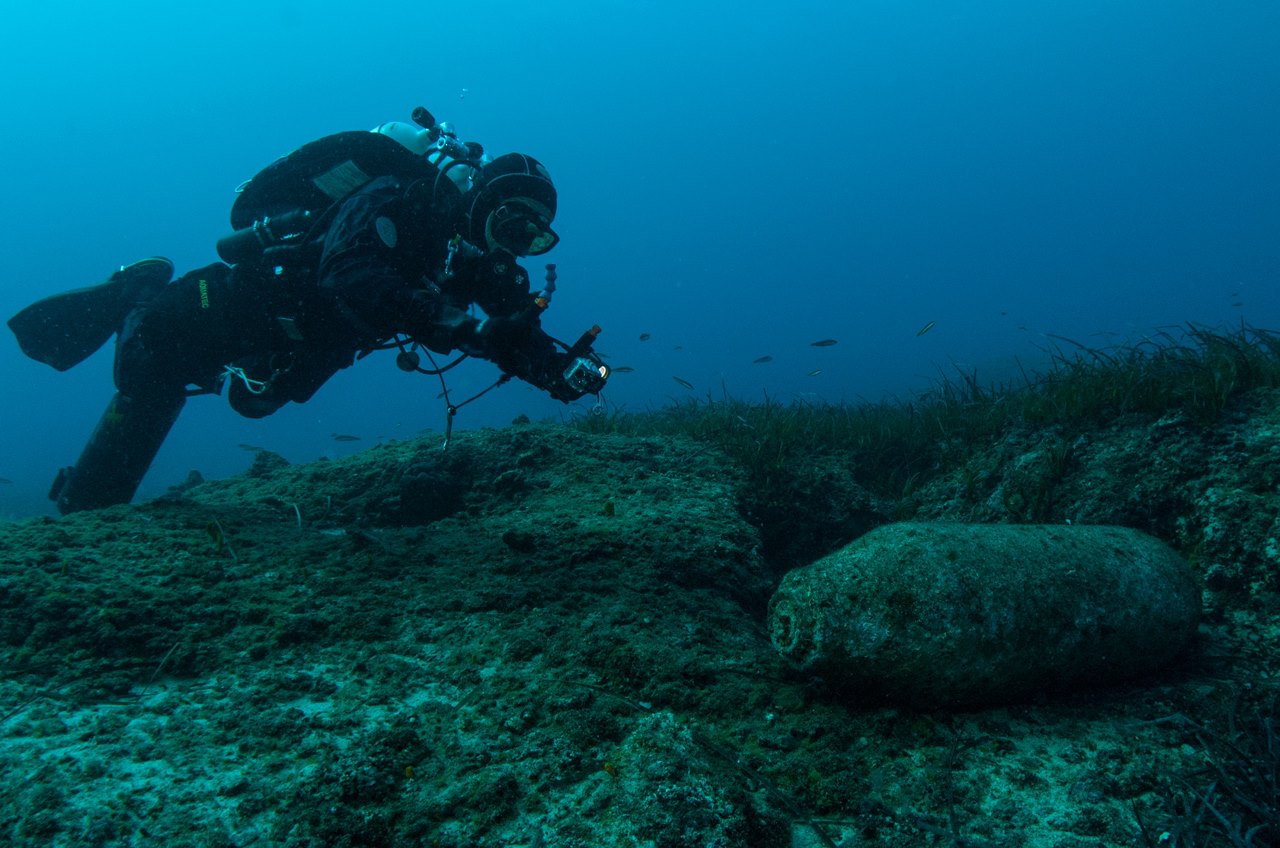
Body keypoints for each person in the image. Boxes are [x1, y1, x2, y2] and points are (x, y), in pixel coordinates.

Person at [8, 107, 610, 514]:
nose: (515, 246)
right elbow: (348, 272)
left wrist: (560, 375)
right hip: (233, 302)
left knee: (254, 401)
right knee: (147, 374)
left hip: (307, 342)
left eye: (534, 239)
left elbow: (511, 333)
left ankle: (95, 502)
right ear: (481, 198)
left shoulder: (478, 261)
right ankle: (137, 289)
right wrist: (466, 326)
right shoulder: (395, 196)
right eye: (512, 224)